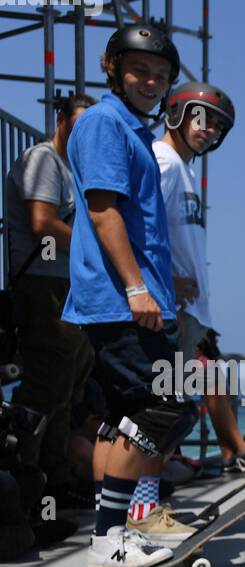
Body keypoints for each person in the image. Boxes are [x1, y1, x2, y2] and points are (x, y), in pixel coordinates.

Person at [63, 21, 190, 567]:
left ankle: (113, 535)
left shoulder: (133, 129)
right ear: (113, 68)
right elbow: (102, 211)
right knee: (167, 404)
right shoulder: (102, 123)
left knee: (124, 417)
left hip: (139, 297)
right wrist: (136, 287)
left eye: (160, 76)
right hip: (118, 298)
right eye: (139, 70)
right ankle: (110, 534)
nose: (150, 81)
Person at [126, 80, 245, 545]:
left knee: (173, 411)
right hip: (167, 304)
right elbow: (131, 221)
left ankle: (145, 506)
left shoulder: (182, 169)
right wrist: (158, 281)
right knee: (161, 411)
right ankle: (140, 511)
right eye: (201, 117)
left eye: (217, 124)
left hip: (189, 312)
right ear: (176, 113)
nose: (209, 129)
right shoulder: (162, 161)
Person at [6, 93, 97, 507]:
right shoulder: (45, 160)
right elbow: (44, 226)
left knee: (66, 388)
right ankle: (25, 482)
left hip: (65, 285)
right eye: (79, 125)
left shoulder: (71, 168)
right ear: (61, 120)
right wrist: (95, 246)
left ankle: (54, 484)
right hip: (44, 285)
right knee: (45, 387)